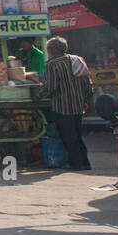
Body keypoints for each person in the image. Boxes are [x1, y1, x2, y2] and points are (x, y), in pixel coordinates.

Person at [41, 35, 93, 171]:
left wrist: (40, 95)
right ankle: (85, 162)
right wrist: (86, 100)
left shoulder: (52, 64)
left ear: (51, 50)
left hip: (62, 106)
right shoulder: (77, 59)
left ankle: (76, 164)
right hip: (78, 105)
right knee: (77, 135)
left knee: (68, 136)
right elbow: (88, 84)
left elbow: (51, 87)